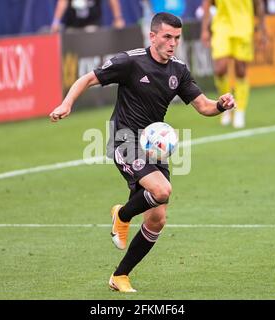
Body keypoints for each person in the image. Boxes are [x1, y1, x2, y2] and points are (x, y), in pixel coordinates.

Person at [49, 12, 235, 293]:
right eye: (167, 37)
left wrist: (220, 105)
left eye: (177, 38)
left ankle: (120, 275)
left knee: (157, 219)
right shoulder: (130, 61)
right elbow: (86, 79)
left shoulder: (179, 71)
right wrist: (66, 104)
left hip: (154, 148)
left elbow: (203, 106)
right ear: (152, 36)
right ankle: (123, 215)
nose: (173, 43)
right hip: (124, 140)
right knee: (162, 190)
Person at [201, 0, 266, 128]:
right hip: (222, 27)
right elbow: (207, 4)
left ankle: (240, 109)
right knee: (220, 68)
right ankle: (226, 106)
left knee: (240, 70)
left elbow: (259, 4)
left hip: (244, 27)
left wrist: (263, 30)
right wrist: (204, 30)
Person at [51, 0, 125, 33]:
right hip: (72, 25)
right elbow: (63, 2)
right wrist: (56, 21)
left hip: (92, 23)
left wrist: (118, 18)